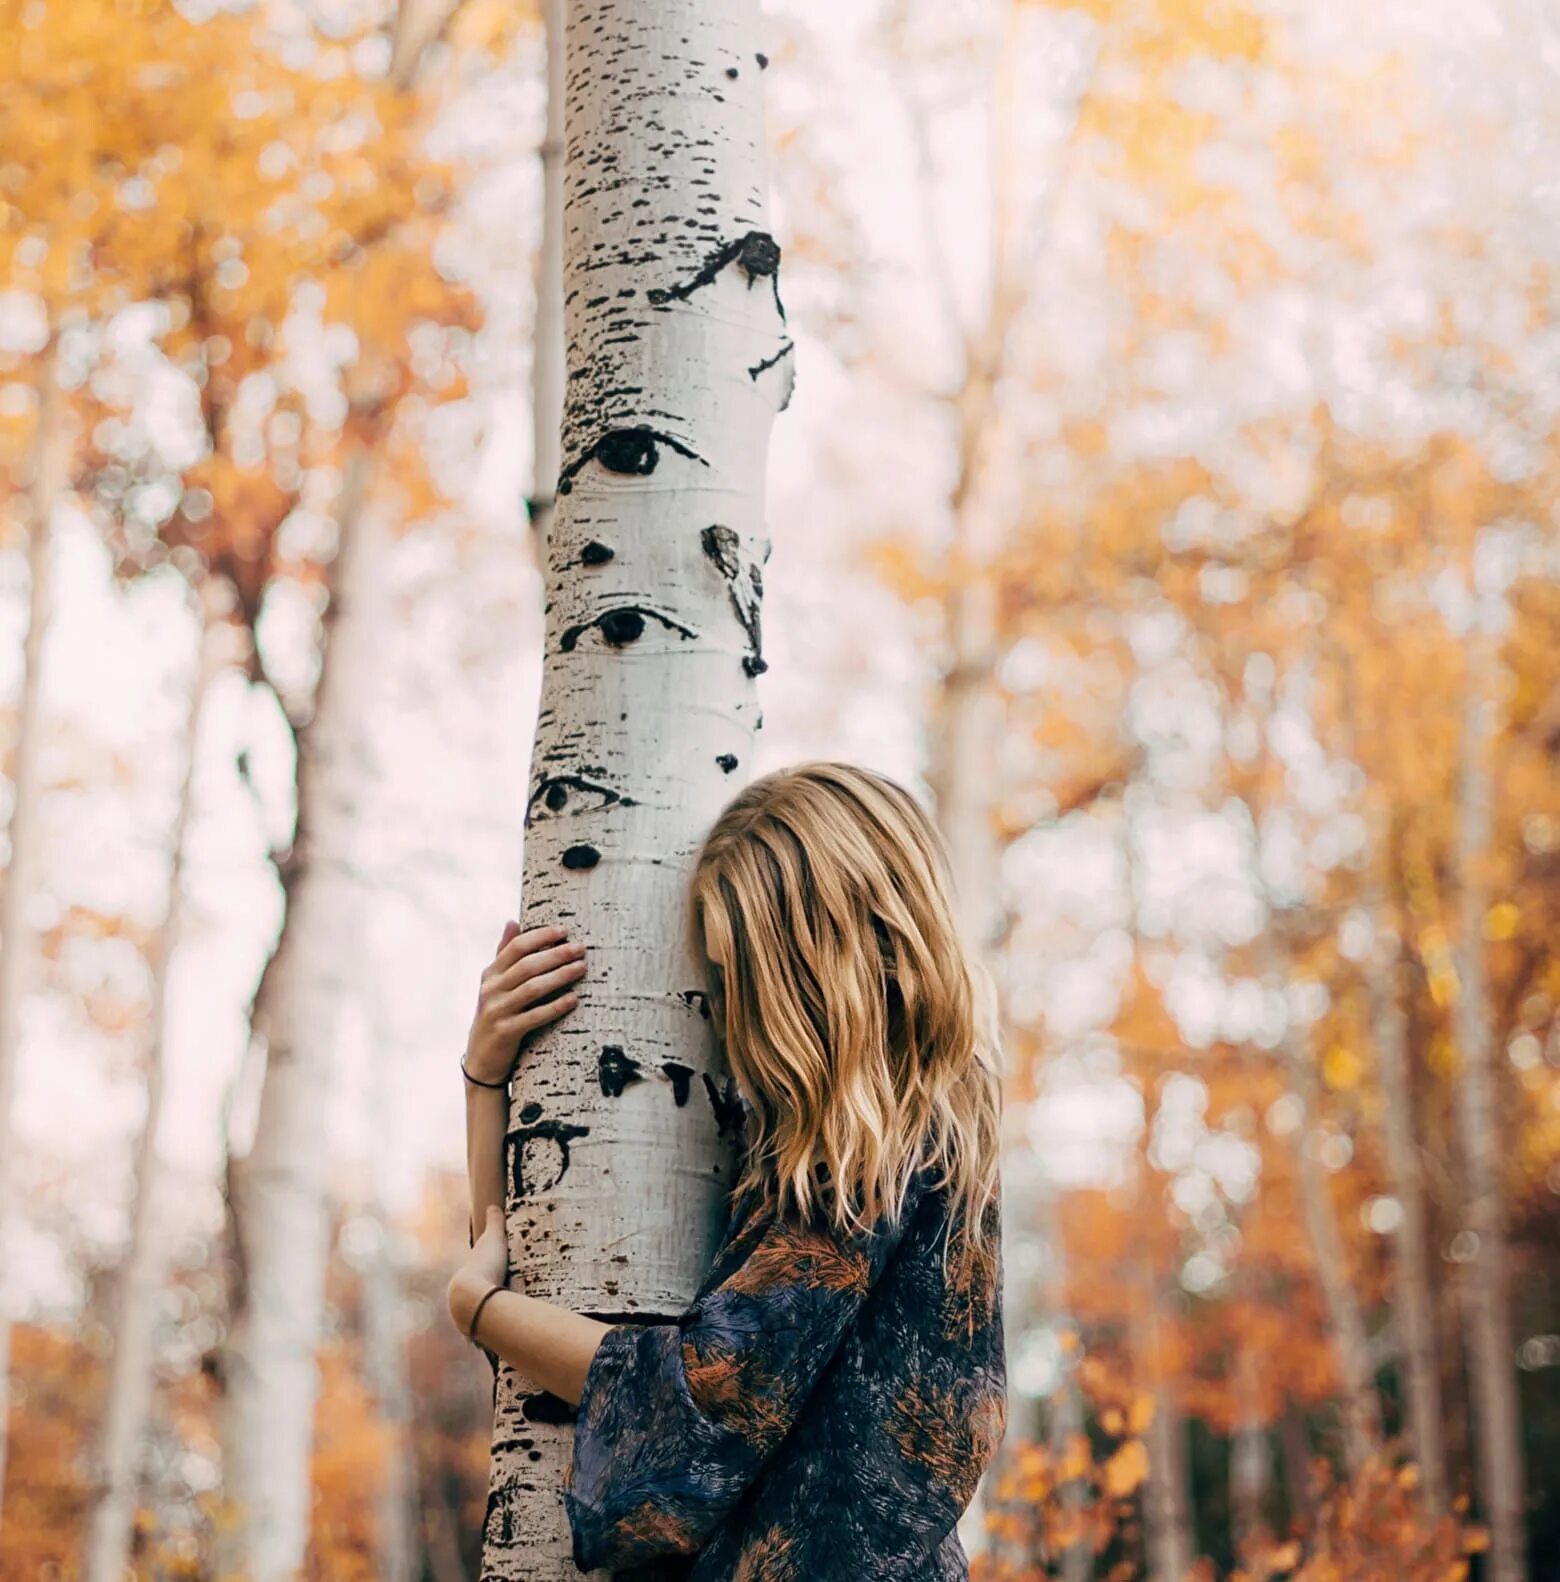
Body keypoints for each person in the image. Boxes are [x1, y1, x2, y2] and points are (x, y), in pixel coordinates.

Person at [446, 760, 1008, 1579]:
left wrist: (480, 1311)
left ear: (816, 967)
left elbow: (699, 1401)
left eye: (737, 977)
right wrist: (487, 1081)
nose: (734, 1015)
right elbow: (525, 1262)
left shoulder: (871, 1152)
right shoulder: (869, 1131)